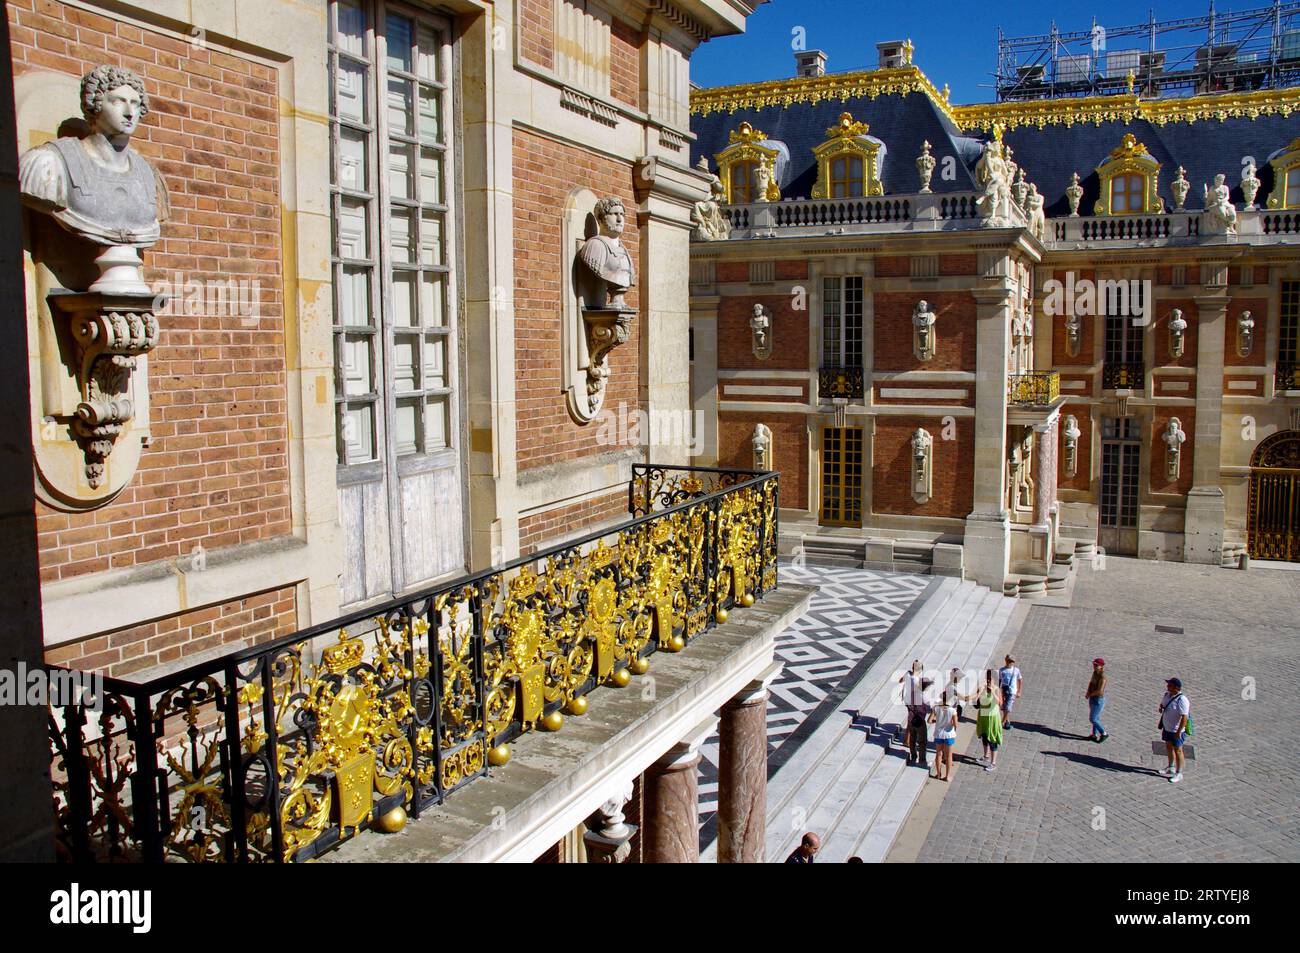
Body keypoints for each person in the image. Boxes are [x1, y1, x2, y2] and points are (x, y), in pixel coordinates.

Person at [1158, 678, 1190, 784]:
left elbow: (1184, 718)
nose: (1167, 687)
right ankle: (1170, 766)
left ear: (1177, 688)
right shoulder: (1167, 695)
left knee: (1178, 750)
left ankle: (1179, 773)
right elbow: (1163, 704)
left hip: (1176, 730)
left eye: (1170, 686)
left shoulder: (1182, 700)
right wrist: (1161, 707)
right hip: (1167, 727)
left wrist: (1179, 732)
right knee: (1168, 746)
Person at [974, 669, 1004, 771]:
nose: (988, 681)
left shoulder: (996, 689)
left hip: (992, 718)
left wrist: (993, 692)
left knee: (992, 740)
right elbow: (975, 704)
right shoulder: (982, 688)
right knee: (984, 737)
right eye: (987, 679)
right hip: (983, 717)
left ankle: (993, 762)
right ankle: (986, 756)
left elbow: (1000, 704)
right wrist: (979, 692)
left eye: (990, 679)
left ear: (995, 680)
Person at [929, 691, 958, 781]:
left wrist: (937, 722)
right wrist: (951, 725)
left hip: (938, 734)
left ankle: (938, 774)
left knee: (938, 754)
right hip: (948, 734)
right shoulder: (952, 710)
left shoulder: (936, 708)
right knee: (949, 756)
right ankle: (947, 776)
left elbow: (929, 720)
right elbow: (956, 724)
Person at [1086, 658, 1109, 742]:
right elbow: (1091, 683)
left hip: (1098, 700)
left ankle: (1104, 733)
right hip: (1092, 697)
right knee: (1096, 717)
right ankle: (1094, 735)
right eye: (1094, 664)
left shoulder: (1103, 677)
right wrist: (1088, 691)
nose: (1094, 666)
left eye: (1096, 665)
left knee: (1093, 719)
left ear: (1101, 666)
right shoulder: (1095, 673)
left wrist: (1090, 694)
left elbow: (1100, 691)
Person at [998, 655, 1023, 729]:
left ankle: (1001, 723)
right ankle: (1007, 722)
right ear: (1005, 660)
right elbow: (999, 681)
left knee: (1008, 708)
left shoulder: (1016, 670)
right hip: (1004, 690)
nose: (1010, 663)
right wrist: (999, 691)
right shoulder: (1001, 670)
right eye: (1009, 661)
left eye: (1011, 661)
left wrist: (1019, 691)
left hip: (1012, 692)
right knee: (1004, 706)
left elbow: (1020, 680)